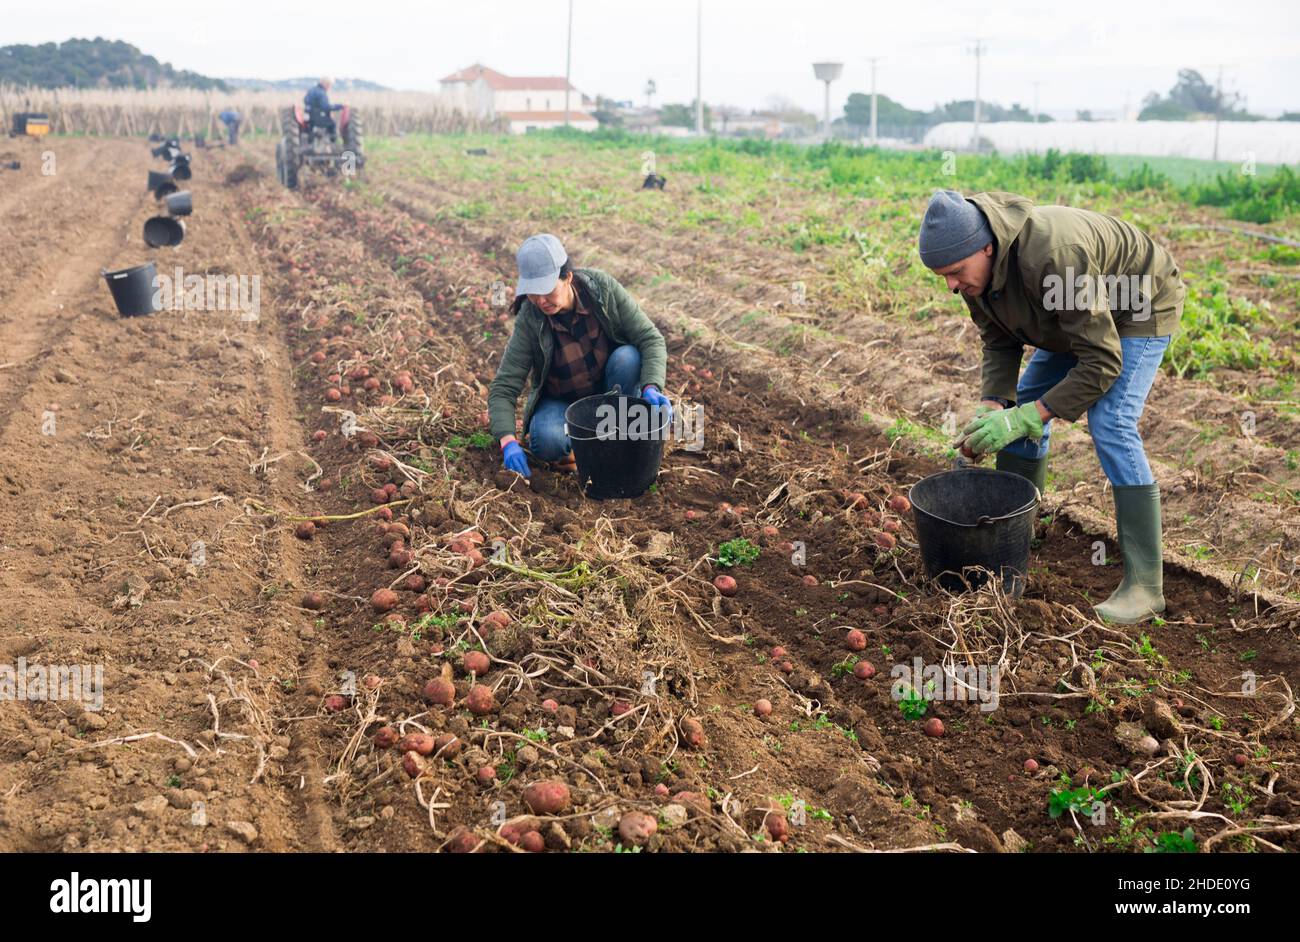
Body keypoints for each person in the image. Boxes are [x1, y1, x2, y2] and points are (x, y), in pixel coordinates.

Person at [918, 189, 1183, 624]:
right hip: (1075, 314)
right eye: (942, 276)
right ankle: (1013, 533)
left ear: (986, 247)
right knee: (1019, 406)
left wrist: (1027, 416)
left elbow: (1101, 360)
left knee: (1111, 421)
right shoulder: (974, 270)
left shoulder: (1052, 256)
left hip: (1137, 303)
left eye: (955, 273)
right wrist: (994, 405)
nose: (951, 285)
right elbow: (999, 339)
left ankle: (1145, 585)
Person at [488, 233, 672, 479]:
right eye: (533, 293)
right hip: (562, 402)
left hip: (609, 392)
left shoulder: (602, 290)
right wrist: (507, 442)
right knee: (546, 442)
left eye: (547, 290)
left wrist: (651, 386)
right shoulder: (530, 318)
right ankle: (583, 445)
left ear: (568, 278)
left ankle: (621, 438)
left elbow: (650, 338)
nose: (541, 301)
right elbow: (504, 386)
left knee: (628, 358)